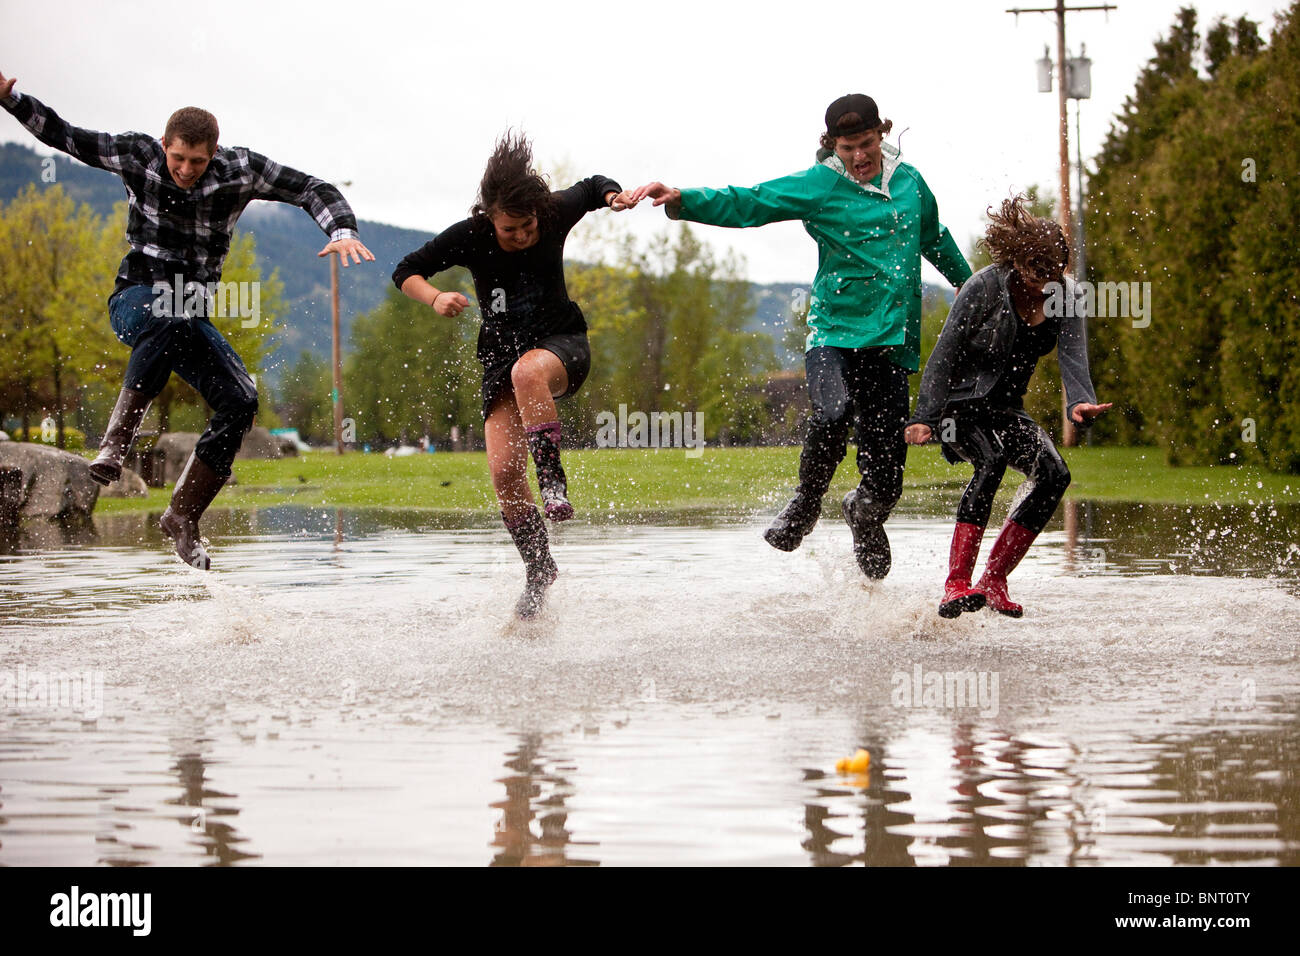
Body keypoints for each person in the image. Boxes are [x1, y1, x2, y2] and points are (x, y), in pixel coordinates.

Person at [0, 69, 373, 570]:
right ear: (164, 145)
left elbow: (311, 187)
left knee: (240, 400)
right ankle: (117, 442)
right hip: (135, 298)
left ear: (214, 153)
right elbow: (68, 136)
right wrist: (12, 100)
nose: (186, 169)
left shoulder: (240, 169)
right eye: (178, 158)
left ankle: (182, 515)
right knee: (166, 309)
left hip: (188, 310)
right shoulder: (138, 154)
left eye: (198, 161)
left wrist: (342, 227)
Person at [630, 94, 971, 579]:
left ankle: (865, 513)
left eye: (867, 144)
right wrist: (684, 199)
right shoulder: (821, 184)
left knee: (887, 471)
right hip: (833, 333)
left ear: (882, 135)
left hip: (892, 339)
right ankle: (806, 503)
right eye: (848, 146)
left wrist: (968, 282)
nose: (859, 157)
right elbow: (753, 201)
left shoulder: (912, 183)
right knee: (833, 412)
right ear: (833, 144)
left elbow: (933, 237)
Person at [392, 133, 637, 619]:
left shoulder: (551, 212)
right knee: (503, 472)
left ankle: (553, 481)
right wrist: (435, 297)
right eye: (510, 230)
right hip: (499, 358)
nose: (522, 236)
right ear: (489, 217)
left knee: (530, 371)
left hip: (561, 344)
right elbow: (407, 270)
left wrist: (614, 196)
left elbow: (590, 187)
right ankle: (539, 568)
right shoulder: (469, 234)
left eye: (527, 227)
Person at [905, 195, 1112, 618]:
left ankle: (993, 579)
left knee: (1055, 474)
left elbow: (1074, 357)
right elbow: (943, 355)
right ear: (1016, 260)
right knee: (992, 459)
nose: (1042, 283)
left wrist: (1081, 401)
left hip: (1005, 409)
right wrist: (925, 417)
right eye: (1035, 273)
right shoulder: (984, 285)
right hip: (957, 408)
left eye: (1052, 273)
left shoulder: (1068, 296)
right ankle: (955, 584)